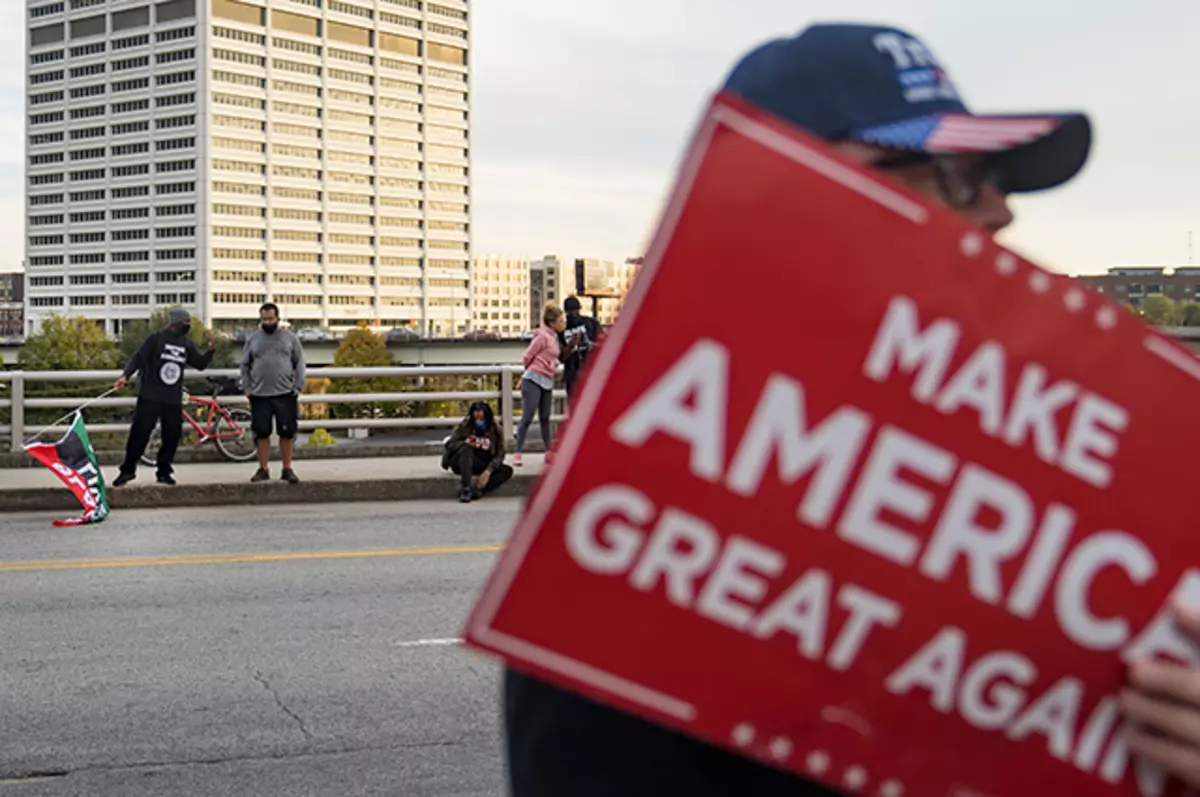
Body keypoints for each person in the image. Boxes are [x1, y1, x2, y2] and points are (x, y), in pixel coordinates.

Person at [502, 21, 1136, 796]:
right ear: (791, 192)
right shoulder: (633, 546)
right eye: (954, 172)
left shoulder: (1031, 508)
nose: (1001, 210)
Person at [112, 308, 215, 487]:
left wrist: (210, 352)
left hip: (173, 397)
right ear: (175, 323)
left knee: (172, 435)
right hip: (150, 395)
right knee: (139, 434)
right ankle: (127, 470)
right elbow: (138, 358)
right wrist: (125, 376)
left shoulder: (186, 343)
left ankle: (164, 470)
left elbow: (199, 364)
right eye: (185, 324)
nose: (187, 327)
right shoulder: (156, 339)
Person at [240, 302, 306, 484]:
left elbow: (299, 363)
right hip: (259, 394)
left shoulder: (290, 338)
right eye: (264, 319)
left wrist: (298, 386)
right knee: (261, 433)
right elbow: (244, 364)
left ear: (277, 318)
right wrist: (247, 387)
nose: (267, 322)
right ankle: (263, 468)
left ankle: (287, 468)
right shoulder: (253, 339)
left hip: (285, 393)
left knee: (287, 432)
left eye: (270, 318)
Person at [513, 303, 574, 468]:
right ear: (552, 322)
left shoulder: (554, 337)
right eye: (561, 321)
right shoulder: (542, 336)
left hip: (547, 380)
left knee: (545, 418)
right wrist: (529, 372)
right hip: (534, 378)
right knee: (527, 416)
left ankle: (549, 452)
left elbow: (559, 356)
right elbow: (527, 356)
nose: (564, 324)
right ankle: (517, 452)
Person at [442, 401, 514, 503]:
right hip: (462, 461)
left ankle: (478, 490)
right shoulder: (465, 426)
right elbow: (450, 444)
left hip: (481, 461)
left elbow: (500, 453)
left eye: (481, 417)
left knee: (506, 470)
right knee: (467, 450)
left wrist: (489, 470)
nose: (478, 420)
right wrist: (465, 443)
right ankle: (466, 488)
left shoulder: (496, 429)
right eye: (476, 416)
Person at [558, 296, 600, 410]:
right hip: (572, 373)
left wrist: (587, 342)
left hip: (590, 371)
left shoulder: (590, 323)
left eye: (575, 310)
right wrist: (571, 344)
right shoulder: (561, 329)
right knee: (574, 407)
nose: (573, 314)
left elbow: (601, 345)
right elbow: (562, 358)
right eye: (570, 311)